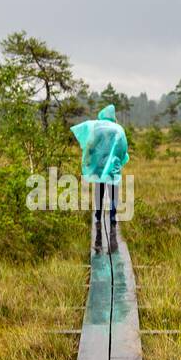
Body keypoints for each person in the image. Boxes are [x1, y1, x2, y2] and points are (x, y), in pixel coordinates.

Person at [70, 103, 129, 250]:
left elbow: (89, 146)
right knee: (113, 202)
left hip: (98, 170)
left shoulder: (96, 128)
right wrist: (118, 162)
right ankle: (113, 237)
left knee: (99, 202)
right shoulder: (118, 129)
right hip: (112, 173)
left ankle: (97, 239)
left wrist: (90, 163)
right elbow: (123, 149)